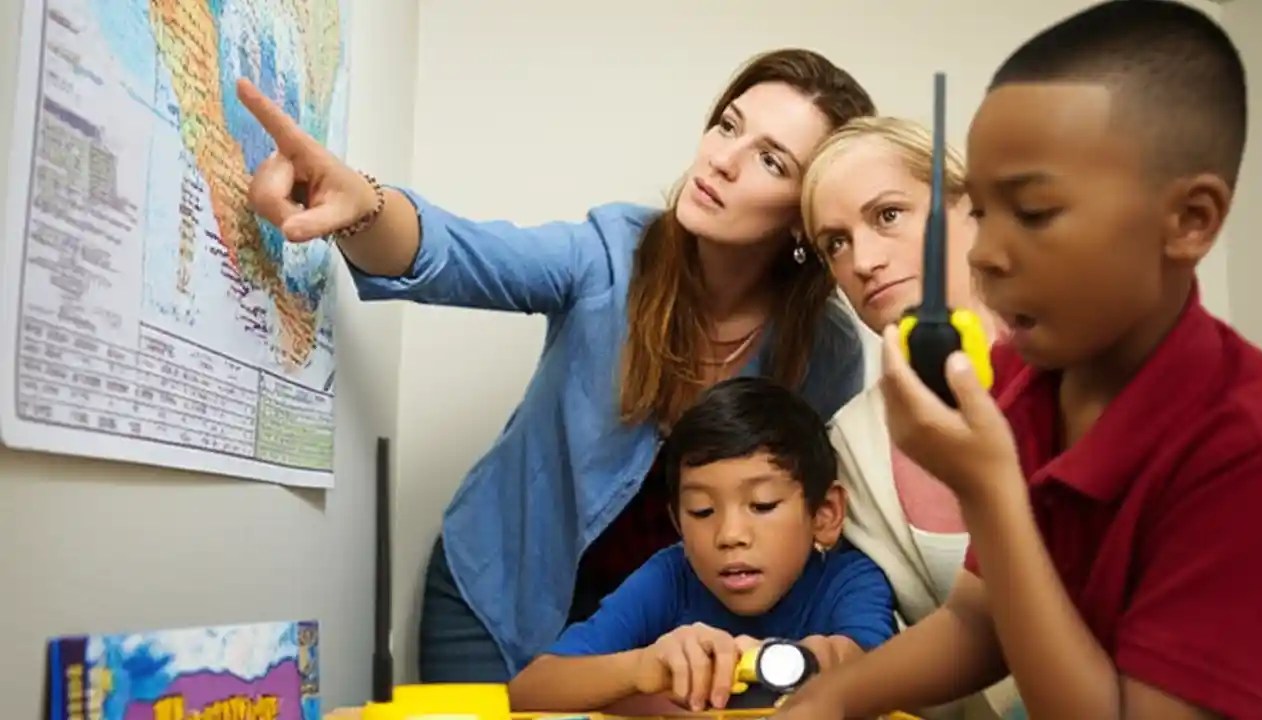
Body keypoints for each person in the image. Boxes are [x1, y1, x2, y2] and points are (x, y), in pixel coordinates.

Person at [233, 48, 876, 682]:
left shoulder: (827, 350)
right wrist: (361, 206)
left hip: (653, 634)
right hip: (497, 600)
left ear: (804, 217)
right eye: (728, 125)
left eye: (770, 159)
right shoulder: (612, 254)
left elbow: (803, 508)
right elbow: (461, 253)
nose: (723, 160)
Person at [776, 2, 1262, 719]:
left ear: (1188, 221)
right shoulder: (1028, 388)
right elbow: (981, 626)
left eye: (1035, 212)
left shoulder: (1252, 445)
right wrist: (826, 702)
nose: (986, 251)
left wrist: (987, 493)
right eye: (985, 210)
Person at [507, 377, 896, 713]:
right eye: (702, 510)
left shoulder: (850, 580)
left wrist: (814, 661)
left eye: (762, 505)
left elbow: (875, 670)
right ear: (677, 522)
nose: (730, 535)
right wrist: (644, 667)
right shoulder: (670, 576)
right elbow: (531, 688)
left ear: (825, 513)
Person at [800, 117, 1017, 720]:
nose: (863, 261)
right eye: (835, 243)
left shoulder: (1089, 367)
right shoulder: (848, 446)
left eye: (887, 215)